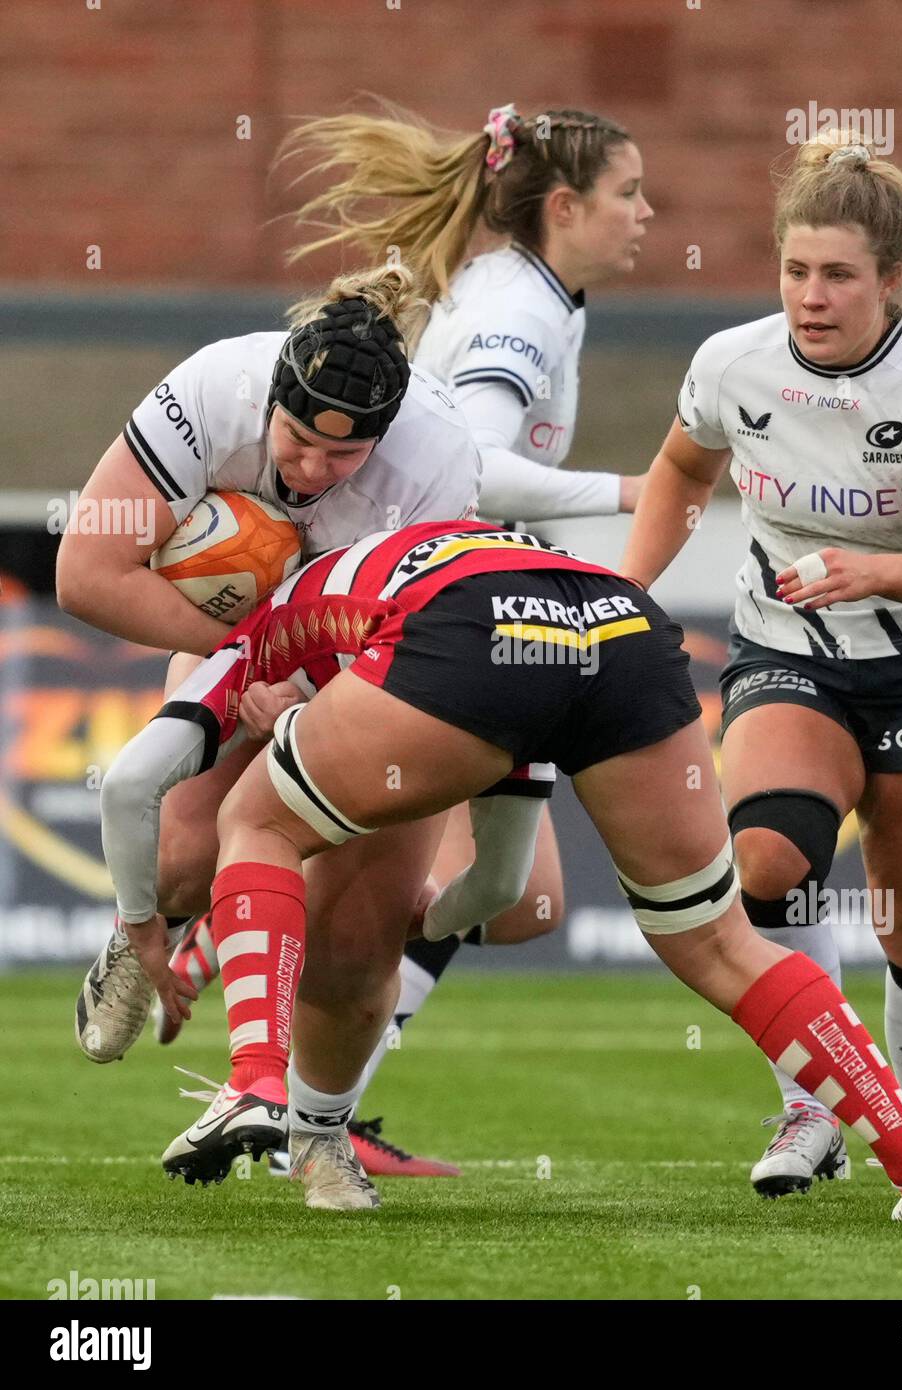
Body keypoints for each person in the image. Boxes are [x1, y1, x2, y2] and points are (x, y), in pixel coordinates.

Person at [116, 518, 902, 1224]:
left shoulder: (254, 636)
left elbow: (130, 783)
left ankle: (254, 1085)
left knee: (253, 819)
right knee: (720, 944)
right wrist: (427, 915)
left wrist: (139, 922)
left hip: (463, 632)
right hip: (619, 627)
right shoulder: (435, 548)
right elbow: (497, 887)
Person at [163, 100, 656, 1150]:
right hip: (440, 626)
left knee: (509, 901)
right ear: (563, 206)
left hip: (447, 612)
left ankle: (290, 1067)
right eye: (627, 193)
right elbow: (479, 464)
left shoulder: (536, 298)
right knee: (475, 894)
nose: (645, 214)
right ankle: (291, 1093)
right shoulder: (519, 311)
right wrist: (636, 489)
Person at [619, 130, 902, 1203]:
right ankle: (815, 1108)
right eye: (796, 270)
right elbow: (679, 466)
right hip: (788, 651)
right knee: (764, 867)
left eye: (839, 275)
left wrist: (878, 574)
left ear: (890, 280)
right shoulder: (733, 363)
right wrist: (633, 589)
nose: (812, 296)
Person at [65, 268, 513, 1174]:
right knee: (181, 859)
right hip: (241, 637)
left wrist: (302, 689)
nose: (311, 471)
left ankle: (316, 1138)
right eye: (298, 440)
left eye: (343, 460)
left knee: (352, 954)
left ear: (383, 441)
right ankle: (142, 926)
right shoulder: (211, 391)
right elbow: (89, 573)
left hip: (378, 664)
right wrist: (251, 655)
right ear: (270, 398)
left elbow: (403, 644)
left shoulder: (436, 461)